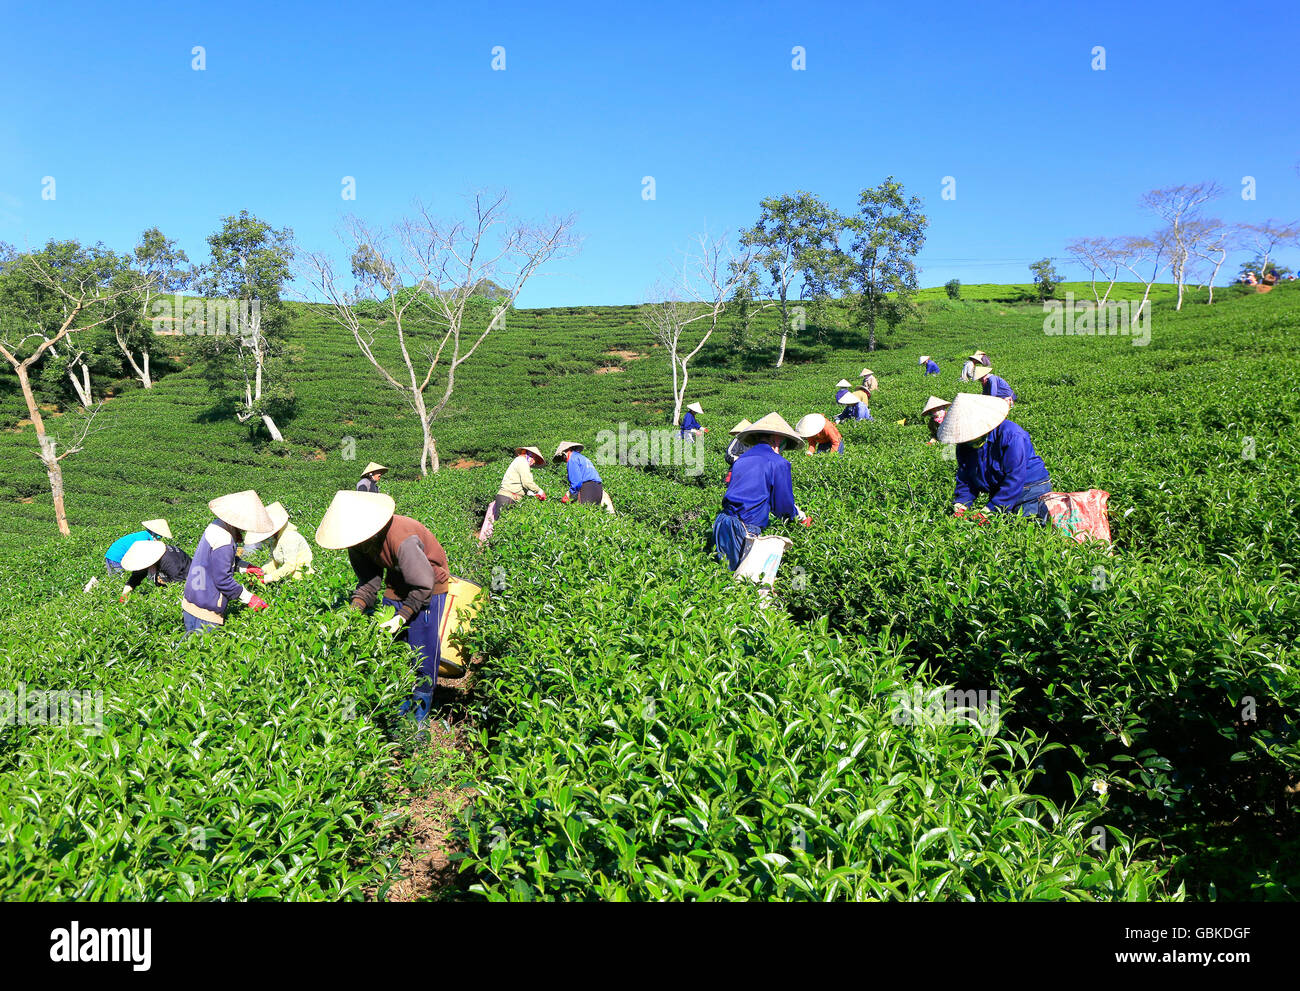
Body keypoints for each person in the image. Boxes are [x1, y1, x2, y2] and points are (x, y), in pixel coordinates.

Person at [316, 490, 450, 726]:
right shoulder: (357, 544)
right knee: (395, 651)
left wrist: (402, 616)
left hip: (428, 587)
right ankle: (399, 711)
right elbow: (369, 583)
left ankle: (418, 720)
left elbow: (422, 584)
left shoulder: (402, 538)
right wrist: (353, 611)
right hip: (396, 585)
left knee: (422, 653)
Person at [711, 413, 810, 571]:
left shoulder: (742, 459)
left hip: (722, 523)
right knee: (746, 584)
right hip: (745, 530)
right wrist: (798, 517)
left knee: (724, 579)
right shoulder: (778, 463)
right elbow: (782, 506)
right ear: (777, 439)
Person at [937, 394, 1052, 524]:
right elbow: (966, 477)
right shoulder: (964, 446)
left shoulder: (1012, 435)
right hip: (1000, 491)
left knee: (1026, 526)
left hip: (1030, 489)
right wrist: (961, 503)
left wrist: (990, 509)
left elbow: (1015, 477)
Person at [182, 491, 271, 636]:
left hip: (192, 599)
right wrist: (250, 598)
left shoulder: (216, 526)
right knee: (203, 652)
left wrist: (245, 567)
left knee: (188, 650)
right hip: (205, 611)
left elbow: (217, 562)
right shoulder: (224, 539)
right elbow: (223, 580)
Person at [480, 446, 547, 541]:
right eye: (534, 459)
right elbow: (527, 482)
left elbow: (520, 485)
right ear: (529, 454)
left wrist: (533, 494)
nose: (533, 462)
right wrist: (540, 491)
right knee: (504, 529)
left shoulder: (519, 461)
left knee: (504, 527)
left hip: (507, 497)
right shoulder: (522, 461)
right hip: (508, 498)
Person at [244, 502, 314, 582]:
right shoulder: (276, 539)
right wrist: (261, 572)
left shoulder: (289, 537)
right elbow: (274, 561)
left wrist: (268, 578)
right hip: (289, 578)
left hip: (302, 579)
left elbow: (290, 566)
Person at [117, 539, 192, 604]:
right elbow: (135, 578)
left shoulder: (169, 561)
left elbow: (178, 585)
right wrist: (124, 595)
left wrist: (166, 582)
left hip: (190, 581)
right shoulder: (149, 557)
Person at [105, 518, 173, 574]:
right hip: (116, 557)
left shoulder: (146, 536)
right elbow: (141, 555)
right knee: (118, 579)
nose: (159, 537)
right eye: (159, 535)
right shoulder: (143, 537)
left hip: (116, 556)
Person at [723, 419, 752, 484]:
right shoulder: (738, 439)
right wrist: (741, 459)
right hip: (736, 473)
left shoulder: (753, 443)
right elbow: (729, 455)